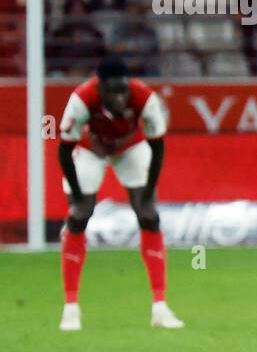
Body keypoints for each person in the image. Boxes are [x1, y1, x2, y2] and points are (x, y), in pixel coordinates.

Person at [56, 57, 184, 332]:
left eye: (123, 89)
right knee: (79, 215)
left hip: (130, 147)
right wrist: (78, 193)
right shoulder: (81, 100)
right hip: (92, 148)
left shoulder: (144, 99)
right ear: (100, 89)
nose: (120, 97)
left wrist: (149, 191)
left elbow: (158, 146)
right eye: (113, 91)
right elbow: (64, 150)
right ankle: (70, 308)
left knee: (149, 216)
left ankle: (160, 307)